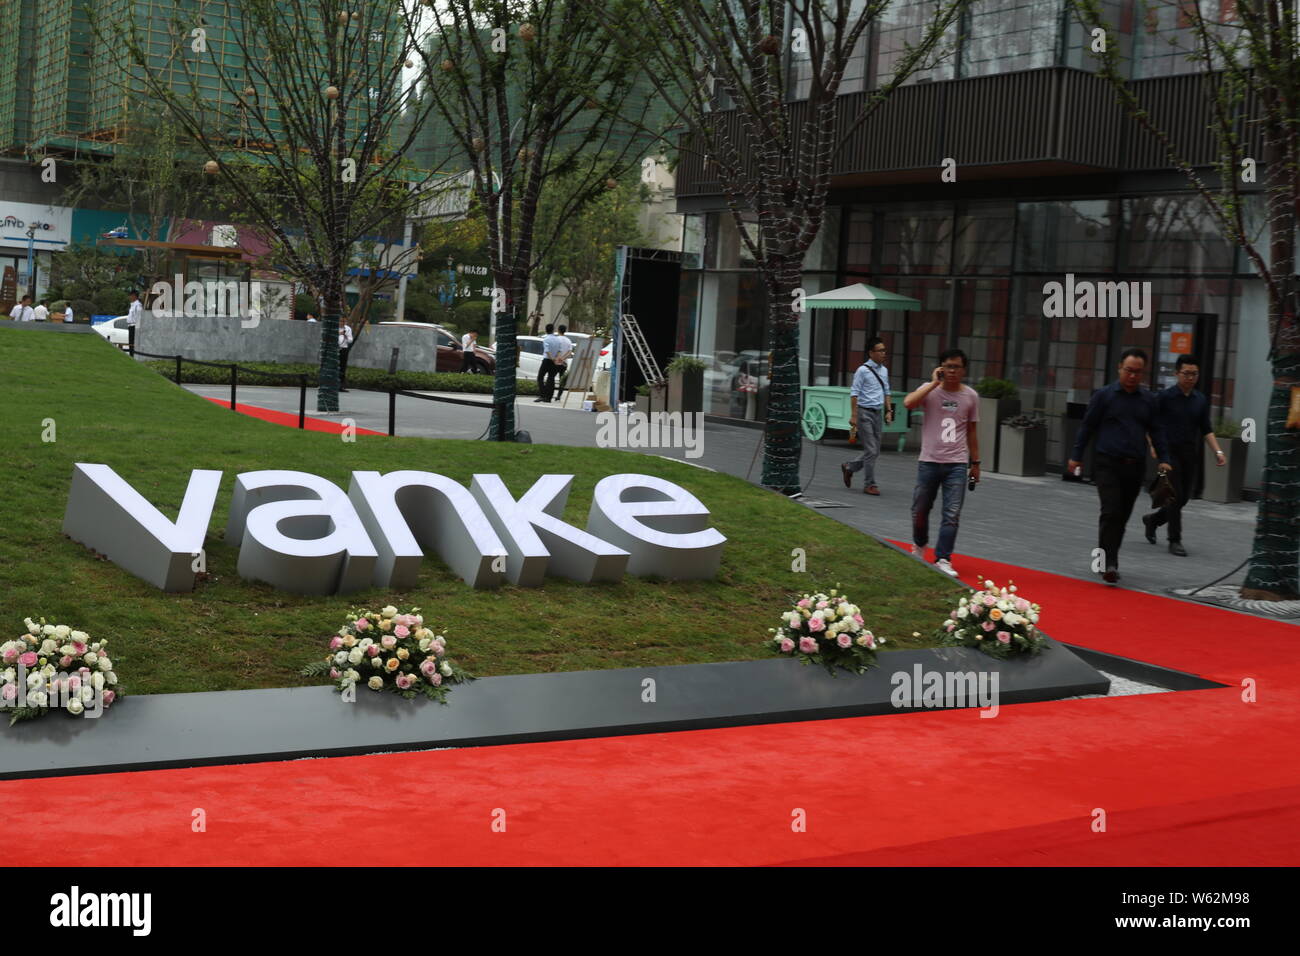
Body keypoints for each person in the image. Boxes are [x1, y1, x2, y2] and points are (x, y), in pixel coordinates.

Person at [1067, 348, 1172, 584]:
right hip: (1107, 463)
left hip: (1134, 467)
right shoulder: (1104, 396)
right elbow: (1087, 427)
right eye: (1129, 370)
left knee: (1122, 515)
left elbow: (1157, 430)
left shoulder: (1149, 400)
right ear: (1119, 368)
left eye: (1138, 372)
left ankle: (1109, 557)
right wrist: (1076, 455)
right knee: (1111, 510)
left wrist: (1164, 458)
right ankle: (1108, 562)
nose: (1133, 376)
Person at [903, 349, 980, 578]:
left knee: (952, 513)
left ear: (964, 370)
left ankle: (943, 557)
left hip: (956, 463)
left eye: (956, 367)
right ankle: (919, 545)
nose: (952, 371)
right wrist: (933, 383)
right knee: (919, 510)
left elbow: (972, 432)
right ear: (940, 368)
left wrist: (975, 463)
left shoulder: (971, 397)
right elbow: (908, 403)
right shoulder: (930, 391)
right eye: (948, 366)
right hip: (929, 461)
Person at [1142, 354, 1227, 556]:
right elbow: (1149, 422)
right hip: (1168, 453)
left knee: (1184, 498)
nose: (1190, 377)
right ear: (1176, 374)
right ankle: (1175, 540)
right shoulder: (1164, 397)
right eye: (1186, 373)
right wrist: (1153, 445)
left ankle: (1152, 520)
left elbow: (1206, 429)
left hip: (1189, 453)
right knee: (1174, 496)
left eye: (1194, 374)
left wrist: (1218, 451)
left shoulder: (1200, 400)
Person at [840, 337, 895, 495]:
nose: (884, 353)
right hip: (864, 413)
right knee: (871, 450)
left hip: (878, 413)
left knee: (875, 451)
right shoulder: (862, 370)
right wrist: (854, 415)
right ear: (871, 353)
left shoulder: (884, 370)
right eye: (881, 350)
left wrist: (889, 411)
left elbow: (887, 391)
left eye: (885, 350)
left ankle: (849, 467)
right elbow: (854, 393)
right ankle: (870, 484)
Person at [536, 323, 562, 403]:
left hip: (547, 360)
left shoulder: (546, 339)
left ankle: (543, 395)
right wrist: (555, 359)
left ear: (546, 330)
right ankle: (549, 397)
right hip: (554, 360)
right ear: (553, 330)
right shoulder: (557, 339)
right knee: (551, 378)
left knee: (540, 377)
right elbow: (559, 350)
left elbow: (547, 351)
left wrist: (552, 358)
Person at [338, 321, 354, 392]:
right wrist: (339, 333)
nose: (342, 322)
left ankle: (341, 386)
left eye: (344, 321)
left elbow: (350, 340)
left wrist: (345, 336)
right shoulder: (334, 327)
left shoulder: (348, 329)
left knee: (342, 367)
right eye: (341, 321)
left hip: (344, 349)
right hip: (334, 349)